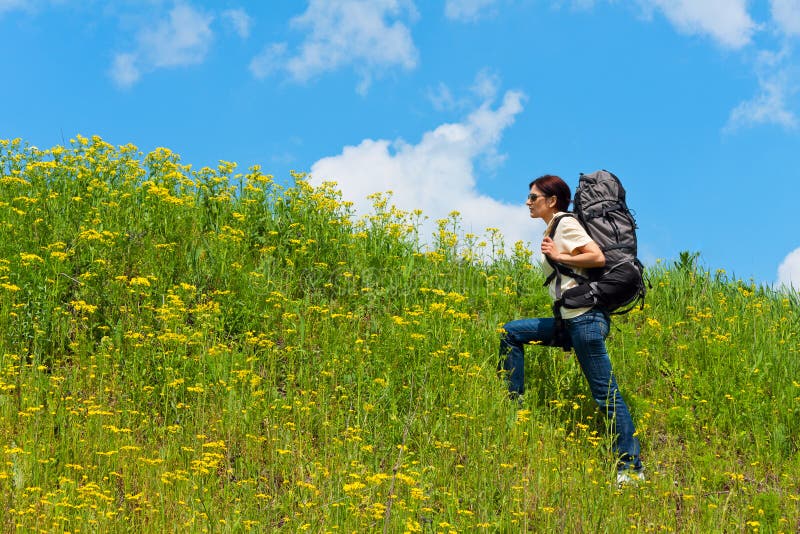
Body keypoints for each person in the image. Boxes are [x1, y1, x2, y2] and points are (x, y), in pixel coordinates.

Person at [498, 174, 644, 486]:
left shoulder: (564, 223)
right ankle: (512, 406)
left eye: (533, 197)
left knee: (606, 394)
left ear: (551, 201)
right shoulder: (557, 226)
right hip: (571, 320)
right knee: (512, 332)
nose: (528, 202)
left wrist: (558, 255)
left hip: (585, 320)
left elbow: (597, 256)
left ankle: (631, 469)